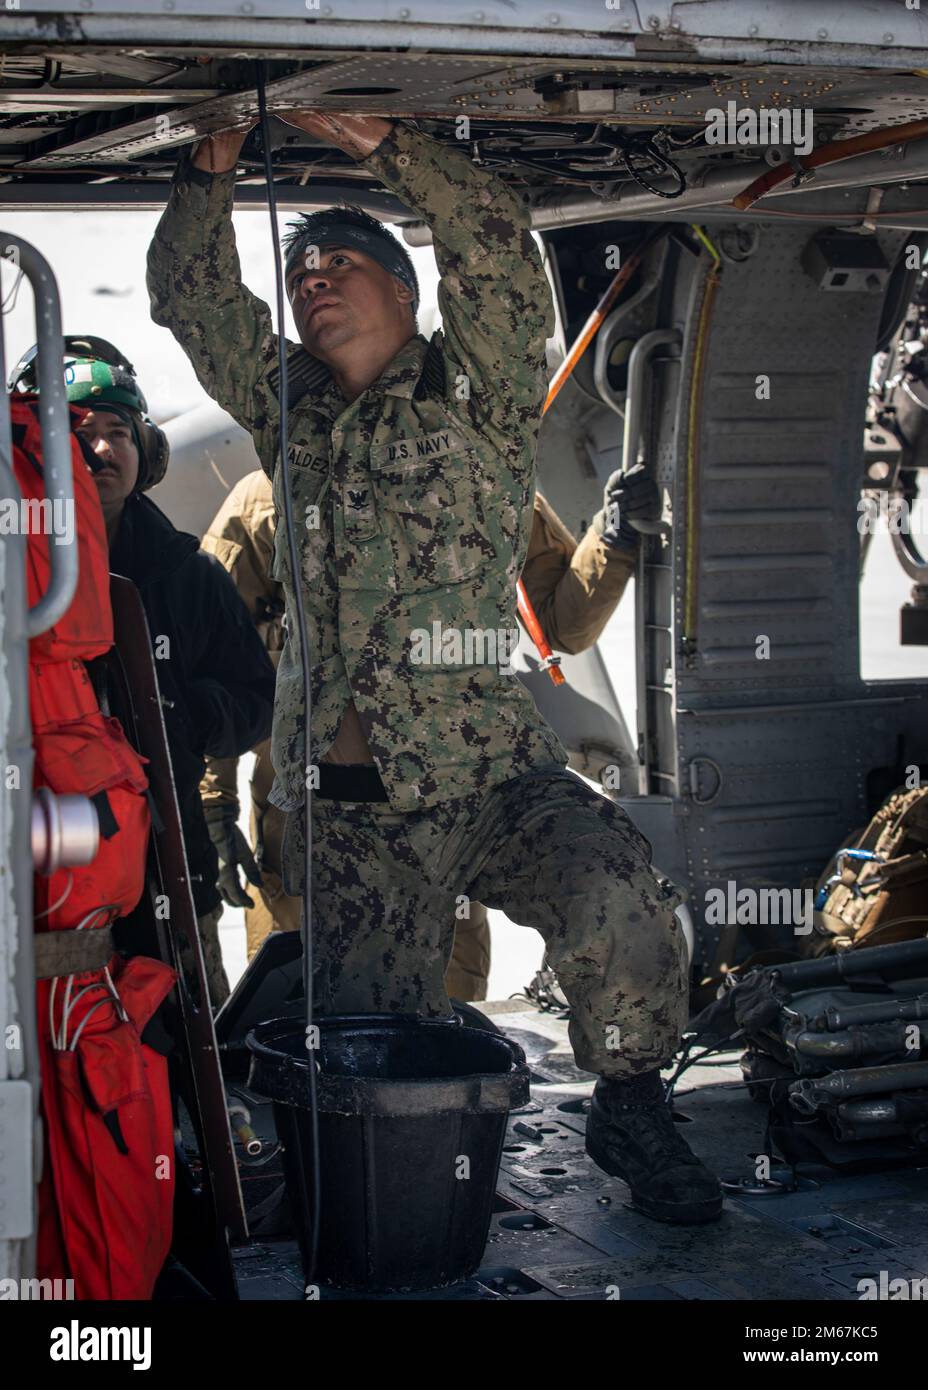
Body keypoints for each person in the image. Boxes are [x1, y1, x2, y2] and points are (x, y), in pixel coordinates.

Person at [148, 112, 721, 1223]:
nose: (314, 279)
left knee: (622, 896)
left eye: (343, 261)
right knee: (374, 1063)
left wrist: (386, 146)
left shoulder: (481, 394)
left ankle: (633, 1099)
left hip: (493, 780)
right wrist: (207, 174)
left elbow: (498, 249)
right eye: (300, 267)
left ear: (403, 293)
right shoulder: (291, 415)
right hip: (353, 819)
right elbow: (195, 298)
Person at [198, 463, 657, 999]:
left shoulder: (487, 480)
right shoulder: (265, 502)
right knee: (297, 1009)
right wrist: (214, 804)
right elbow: (223, 666)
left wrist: (612, 535)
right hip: (310, 811)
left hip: (446, 800)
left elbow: (559, 625)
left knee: (443, 1013)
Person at [10, 338, 277, 1008]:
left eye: (117, 431)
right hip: (38, 875)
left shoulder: (188, 577)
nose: (100, 449)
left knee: (191, 1057)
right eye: (76, 431)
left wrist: (186, 717)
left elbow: (256, 699)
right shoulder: (12, 575)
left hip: (167, 871)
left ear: (146, 450)